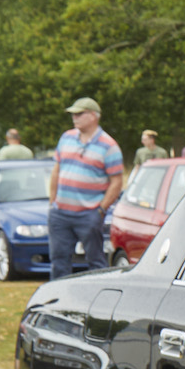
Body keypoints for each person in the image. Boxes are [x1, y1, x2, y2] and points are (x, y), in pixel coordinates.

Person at [49, 98, 123, 278]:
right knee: (58, 261)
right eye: (73, 114)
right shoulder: (66, 137)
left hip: (88, 214)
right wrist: (53, 202)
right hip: (60, 213)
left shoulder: (109, 146)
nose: (75, 117)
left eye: (79, 114)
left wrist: (101, 210)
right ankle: (59, 300)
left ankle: (98, 299)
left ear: (93, 116)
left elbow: (117, 182)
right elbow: (56, 170)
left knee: (95, 262)